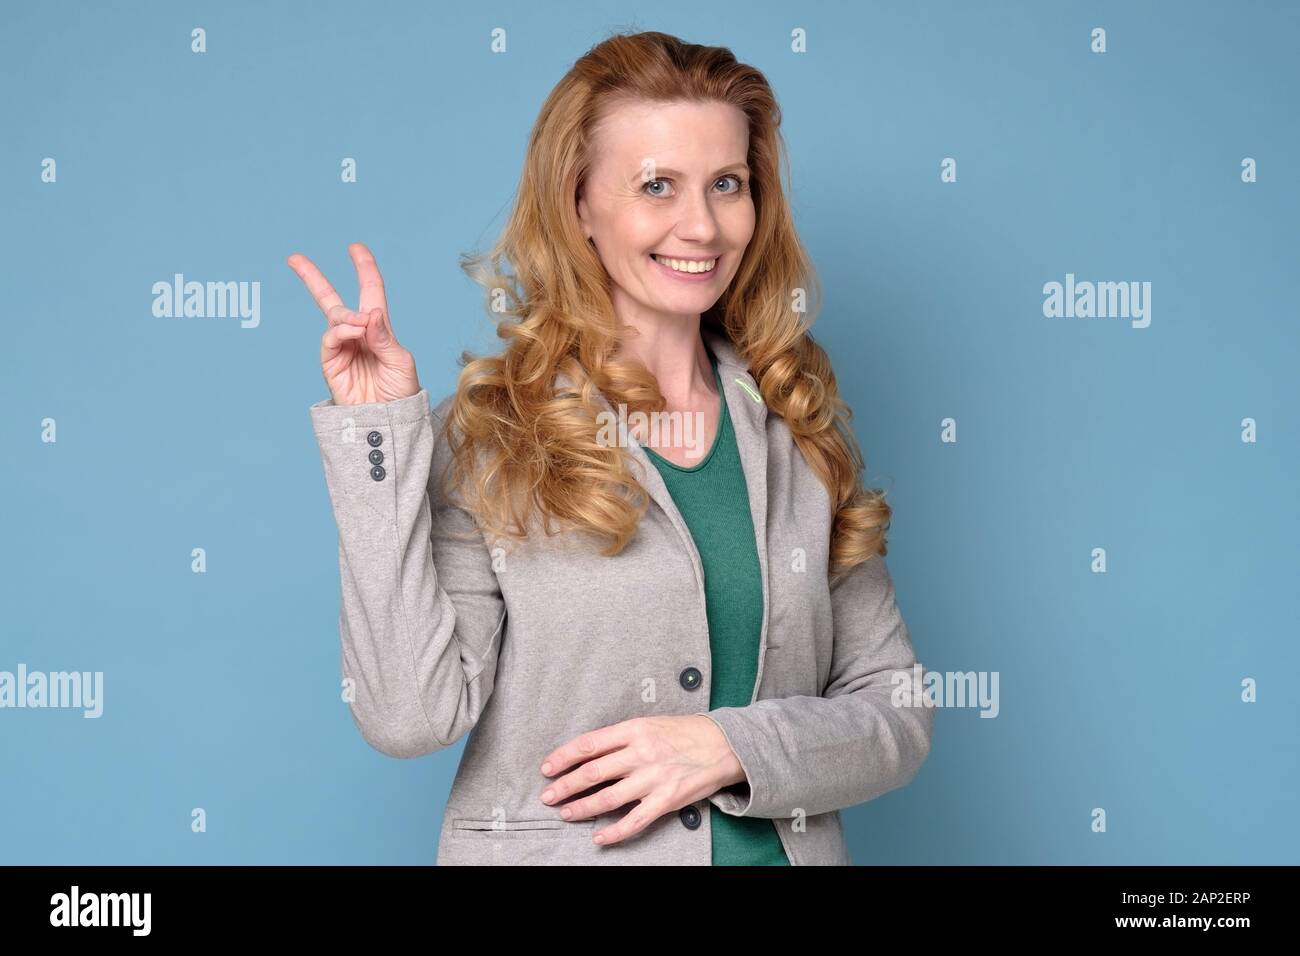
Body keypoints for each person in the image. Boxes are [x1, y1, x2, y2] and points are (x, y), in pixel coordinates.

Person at [289, 30, 933, 866]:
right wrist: (376, 438)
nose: (701, 225)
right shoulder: (493, 432)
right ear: (579, 204)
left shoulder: (797, 425)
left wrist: (730, 746)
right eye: (656, 185)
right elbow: (411, 717)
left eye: (727, 185)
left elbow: (897, 709)